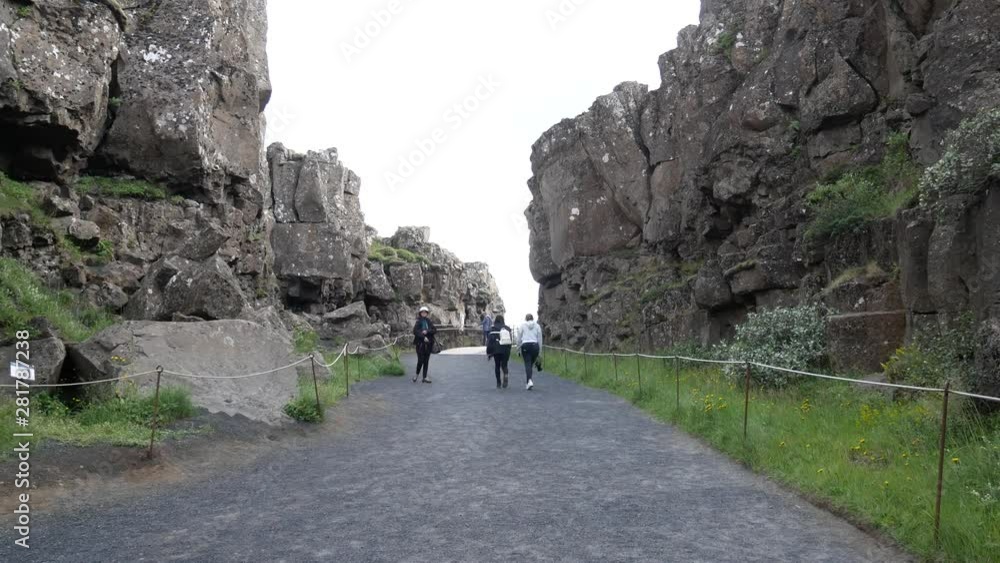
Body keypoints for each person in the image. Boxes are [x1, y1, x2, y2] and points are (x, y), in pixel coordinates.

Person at [516, 314, 543, 391]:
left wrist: (518, 349)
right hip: (535, 346)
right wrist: (540, 352)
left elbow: (519, 338)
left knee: (528, 363)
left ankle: (529, 381)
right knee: (530, 364)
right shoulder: (537, 326)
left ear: (526, 319)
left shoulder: (522, 326)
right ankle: (529, 381)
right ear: (533, 318)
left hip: (526, 345)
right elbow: (540, 339)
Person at [486, 315, 514, 389]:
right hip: (505, 349)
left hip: (496, 350)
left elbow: (490, 342)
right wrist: (509, 349)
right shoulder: (507, 328)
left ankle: (498, 383)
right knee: (504, 365)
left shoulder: (492, 329)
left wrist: (489, 353)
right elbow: (510, 341)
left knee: (497, 366)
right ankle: (506, 374)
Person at [412, 306, 437, 384]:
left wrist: (427, 331)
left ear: (427, 313)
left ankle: (425, 377)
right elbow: (415, 331)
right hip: (420, 344)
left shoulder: (429, 321)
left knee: (426, 361)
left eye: (425, 312)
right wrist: (423, 337)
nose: (424, 313)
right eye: (422, 312)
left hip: (428, 344)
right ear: (420, 313)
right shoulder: (418, 321)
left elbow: (434, 330)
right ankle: (416, 374)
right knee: (420, 360)